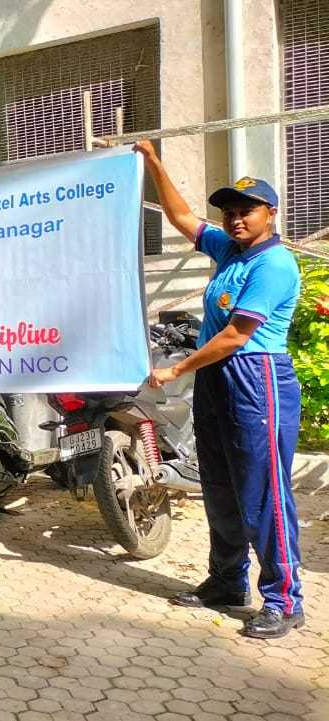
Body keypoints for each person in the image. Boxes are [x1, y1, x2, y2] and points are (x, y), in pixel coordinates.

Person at [136, 140, 305, 639]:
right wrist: (153, 163)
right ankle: (228, 582)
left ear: (270, 213)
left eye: (246, 211)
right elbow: (182, 216)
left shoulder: (273, 265)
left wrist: (176, 369)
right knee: (220, 486)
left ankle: (285, 599)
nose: (235, 219)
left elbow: (236, 335)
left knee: (263, 493)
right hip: (218, 380)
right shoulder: (229, 250)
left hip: (258, 379)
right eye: (230, 211)